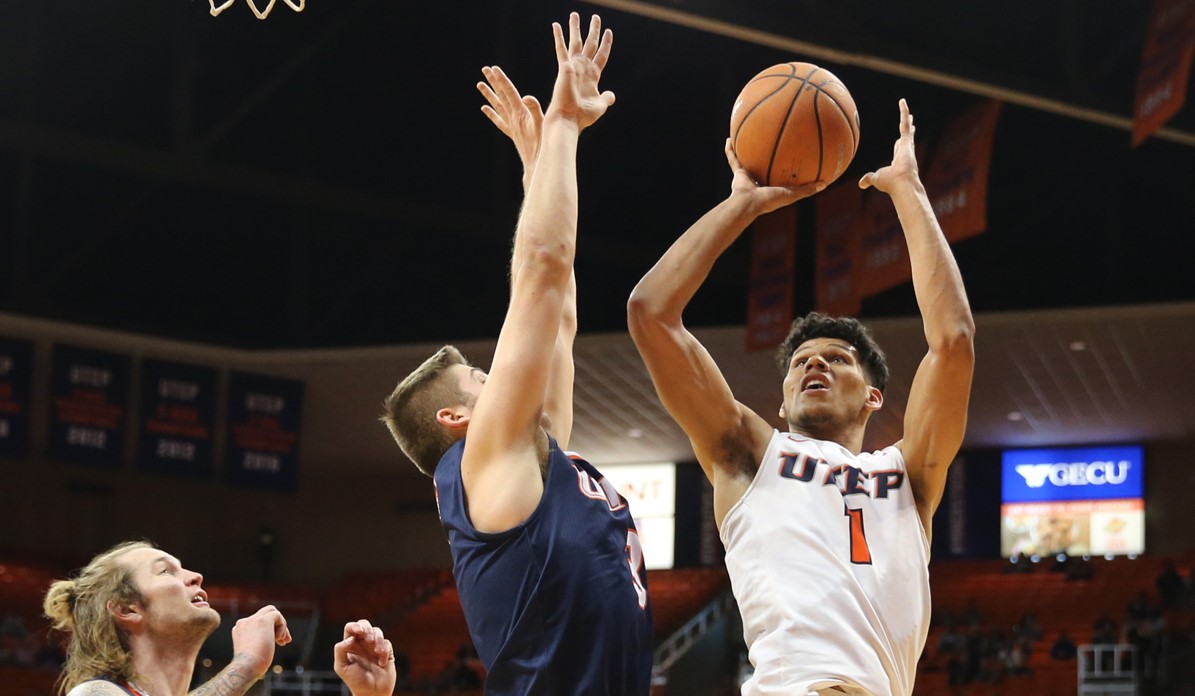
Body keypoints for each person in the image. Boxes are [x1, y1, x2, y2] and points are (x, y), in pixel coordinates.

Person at [628, 99, 975, 695]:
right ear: (782, 406)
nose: (814, 362)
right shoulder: (748, 453)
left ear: (873, 397)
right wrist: (740, 207)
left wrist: (909, 192)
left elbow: (954, 341)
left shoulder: (910, 474)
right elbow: (651, 313)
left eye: (837, 359)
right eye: (800, 363)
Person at [379, 13, 652, 695]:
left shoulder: (534, 462)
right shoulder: (484, 461)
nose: (498, 373)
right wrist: (561, 129)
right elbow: (543, 265)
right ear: (455, 421)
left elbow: (556, 316)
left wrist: (538, 172)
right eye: (480, 376)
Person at [41, 540, 396, 696]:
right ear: (127, 609)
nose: (194, 576)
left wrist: (370, 695)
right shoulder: (94, 693)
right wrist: (246, 664)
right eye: (166, 572)